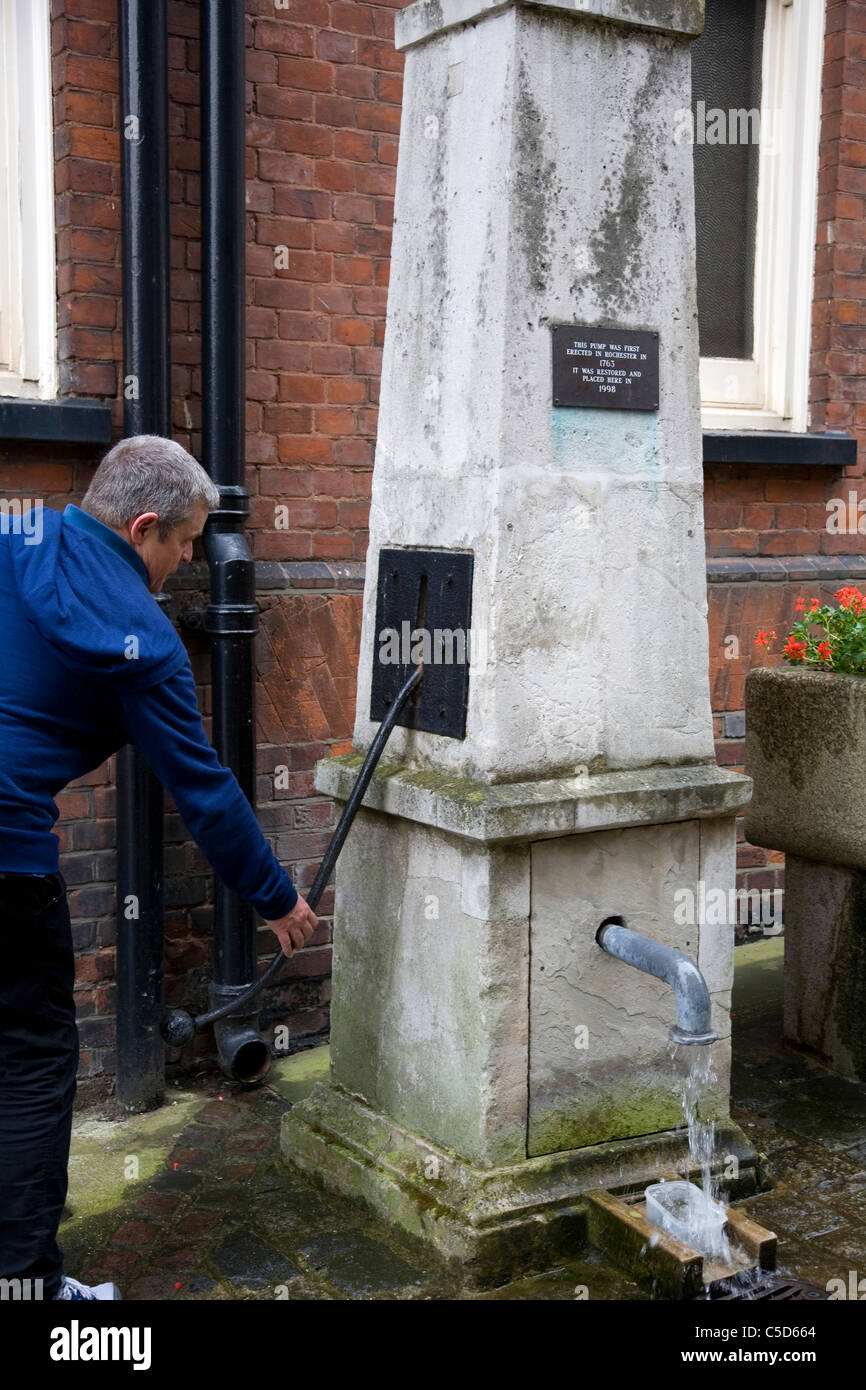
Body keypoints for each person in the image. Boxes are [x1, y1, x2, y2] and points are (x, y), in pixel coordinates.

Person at [0, 435, 317, 1301]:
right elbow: (205, 791)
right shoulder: (142, 637)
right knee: (30, 1064)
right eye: (182, 543)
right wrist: (275, 896)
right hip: (7, 862)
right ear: (143, 528)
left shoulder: (12, 537)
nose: (185, 563)